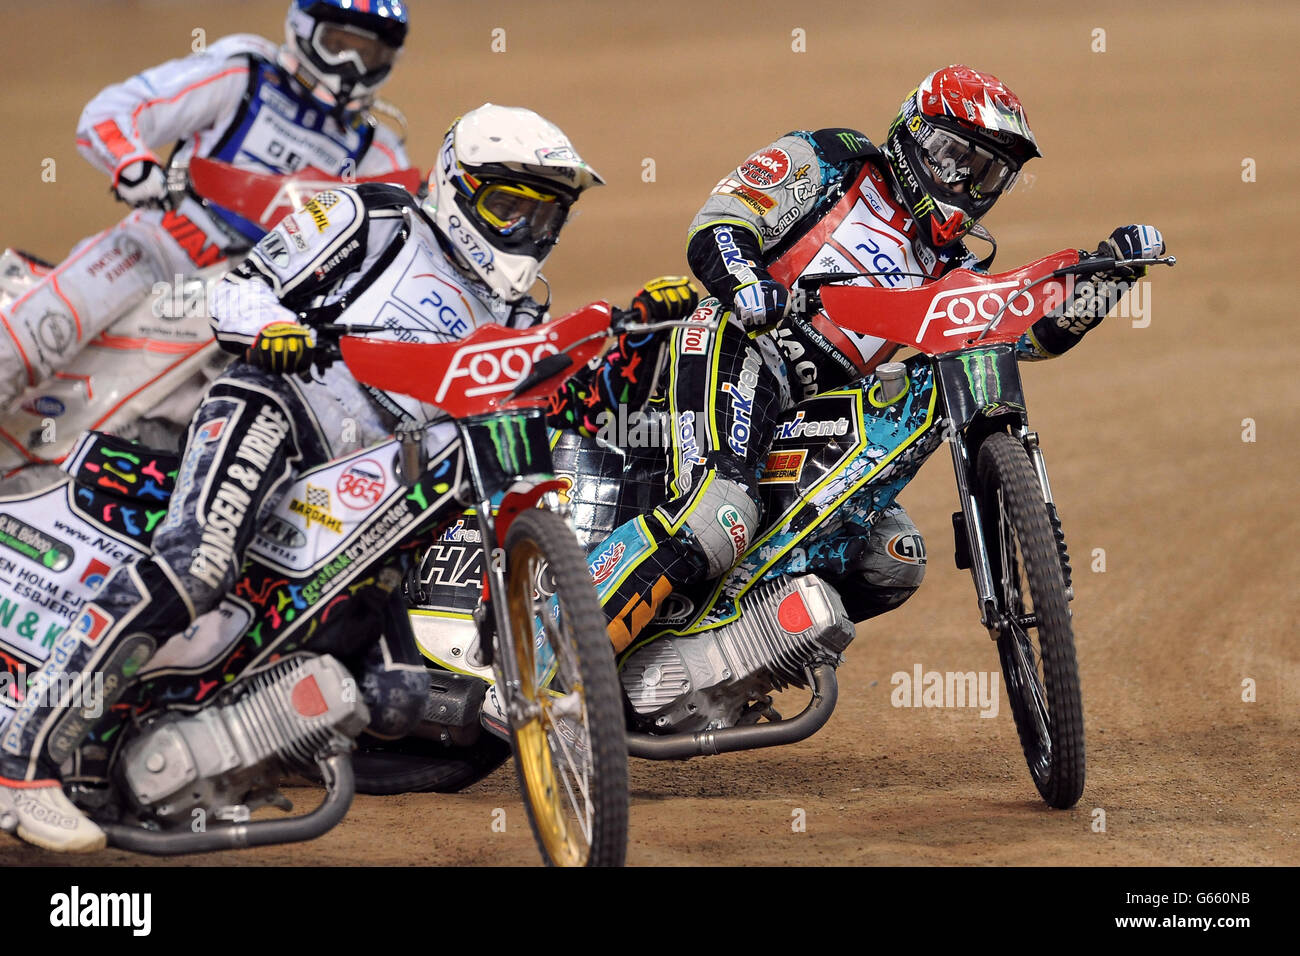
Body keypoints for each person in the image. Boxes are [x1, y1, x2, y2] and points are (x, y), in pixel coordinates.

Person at [0, 102, 693, 853]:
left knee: (395, 699)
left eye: (543, 215)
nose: (525, 232)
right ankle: (24, 758)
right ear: (458, 188)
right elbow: (242, 285)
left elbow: (571, 408)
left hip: (378, 501)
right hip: (279, 410)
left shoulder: (524, 310)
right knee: (197, 564)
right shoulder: (371, 219)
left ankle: (212, 749)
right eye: (506, 206)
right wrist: (272, 332)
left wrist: (637, 341)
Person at [589, 64, 1166, 652]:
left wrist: (1106, 280)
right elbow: (720, 220)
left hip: (818, 408)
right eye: (956, 158)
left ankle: (723, 650)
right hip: (740, 346)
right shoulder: (834, 159)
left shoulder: (956, 268)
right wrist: (747, 285)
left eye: (987, 174)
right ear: (914, 133)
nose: (966, 185)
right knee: (717, 518)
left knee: (893, 560)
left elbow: (1028, 336)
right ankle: (559, 653)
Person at [0, 0, 412, 412]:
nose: (352, 66)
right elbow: (113, 110)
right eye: (338, 44)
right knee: (37, 333)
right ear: (303, 31)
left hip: (250, 300)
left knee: (227, 414)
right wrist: (133, 165)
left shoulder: (380, 155)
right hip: (162, 243)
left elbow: (396, 253)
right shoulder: (246, 72)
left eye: (369, 54)